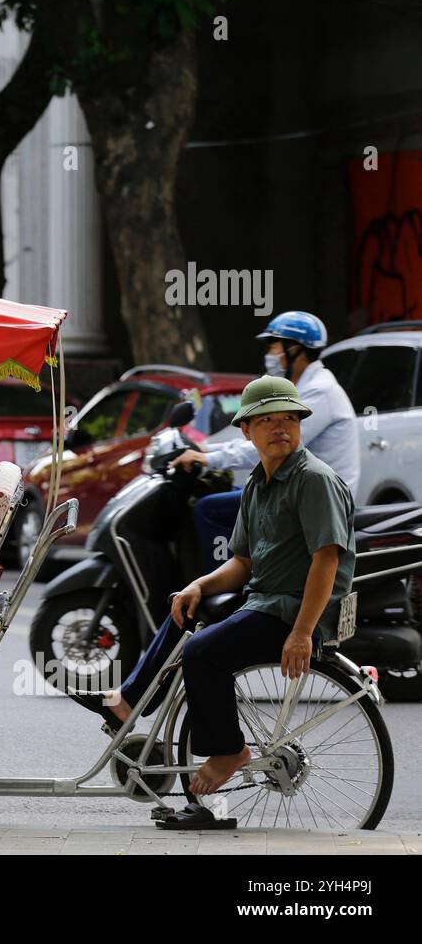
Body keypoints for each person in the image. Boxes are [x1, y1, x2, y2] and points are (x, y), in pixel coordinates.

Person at [72, 375, 355, 797]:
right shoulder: (258, 483)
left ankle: (228, 751)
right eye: (268, 420)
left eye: (289, 420)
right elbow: (243, 562)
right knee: (184, 606)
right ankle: (130, 700)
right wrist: (199, 585)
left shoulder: (312, 479)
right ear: (247, 429)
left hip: (296, 610)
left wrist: (302, 633)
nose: (281, 428)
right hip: (265, 599)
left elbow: (326, 558)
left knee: (200, 652)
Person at [173, 311, 358, 572]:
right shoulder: (304, 387)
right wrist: (204, 448)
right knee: (238, 499)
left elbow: (269, 447)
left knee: (209, 510)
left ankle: (222, 591)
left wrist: (208, 458)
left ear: (295, 350)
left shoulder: (319, 392)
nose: (270, 354)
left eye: (273, 345)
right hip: (295, 489)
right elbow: (259, 440)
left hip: (317, 500)